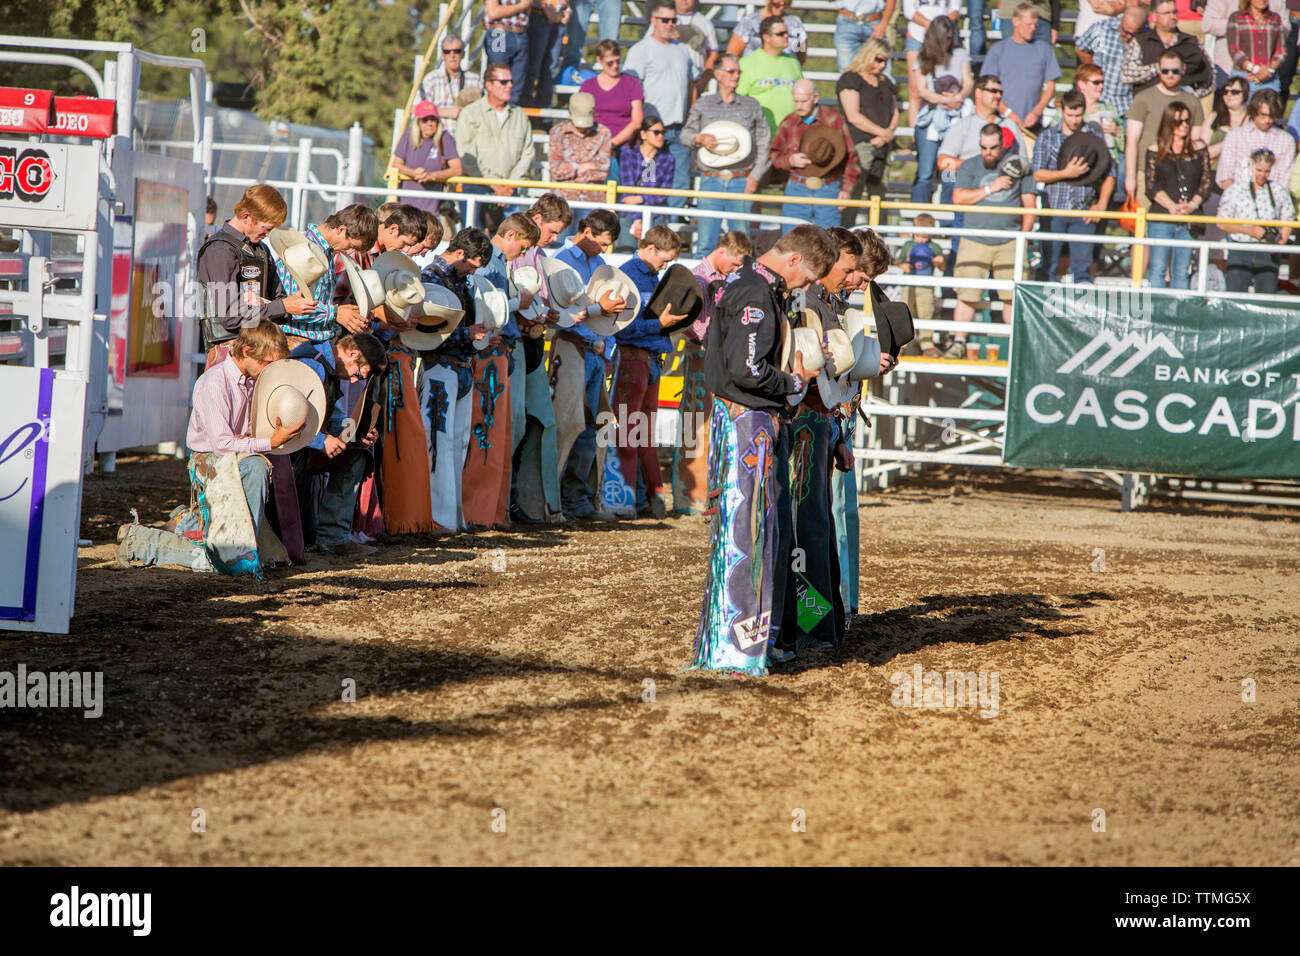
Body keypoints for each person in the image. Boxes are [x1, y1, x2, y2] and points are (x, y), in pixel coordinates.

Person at [692, 224, 837, 675]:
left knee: (758, 532)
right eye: (810, 277)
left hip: (747, 421)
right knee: (750, 532)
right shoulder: (755, 292)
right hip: (748, 422)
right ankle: (737, 649)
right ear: (793, 260)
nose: (809, 287)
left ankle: (748, 643)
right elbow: (749, 369)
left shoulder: (751, 285)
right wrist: (795, 382)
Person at [185, 320, 302, 573]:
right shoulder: (214, 383)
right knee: (257, 466)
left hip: (232, 453)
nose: (269, 369)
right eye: (266, 363)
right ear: (247, 352)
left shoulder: (254, 379)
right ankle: (241, 549)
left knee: (258, 464)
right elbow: (222, 445)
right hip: (207, 458)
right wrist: (270, 442)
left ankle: (229, 541)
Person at [552, 210, 629, 521]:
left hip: (594, 351)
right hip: (572, 346)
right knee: (568, 424)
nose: (605, 249)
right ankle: (555, 499)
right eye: (602, 242)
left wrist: (606, 351)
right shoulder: (563, 262)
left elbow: (606, 318)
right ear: (585, 232)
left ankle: (576, 499)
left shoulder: (597, 264)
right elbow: (567, 311)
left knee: (593, 427)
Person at [465, 214, 540, 529]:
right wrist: (518, 302)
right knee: (492, 430)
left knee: (503, 429)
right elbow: (482, 305)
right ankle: (485, 506)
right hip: (490, 352)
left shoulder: (496, 264)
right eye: (521, 247)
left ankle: (494, 505)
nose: (521, 255)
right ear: (510, 235)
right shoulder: (490, 263)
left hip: (499, 350)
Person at [419, 228, 493, 532]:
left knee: (455, 441)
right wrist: (468, 334)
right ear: (460, 254)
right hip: (441, 365)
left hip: (458, 365)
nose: (473, 270)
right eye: (473, 264)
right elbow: (427, 331)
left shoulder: (452, 279)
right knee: (440, 440)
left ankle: (452, 516)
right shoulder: (432, 278)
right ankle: (441, 516)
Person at [673, 230, 751, 514]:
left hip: (713, 355)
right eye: (733, 263)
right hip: (702, 353)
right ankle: (692, 496)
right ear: (722, 253)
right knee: (698, 423)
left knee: (710, 424)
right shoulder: (697, 280)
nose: (734, 269)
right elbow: (687, 324)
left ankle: (701, 494)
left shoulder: (716, 279)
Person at [290, 332, 388, 555]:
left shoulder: (327, 366)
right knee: (352, 458)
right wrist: (321, 441)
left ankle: (332, 539)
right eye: (358, 374)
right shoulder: (312, 365)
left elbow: (333, 416)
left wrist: (356, 434)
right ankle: (330, 538)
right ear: (353, 353)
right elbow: (285, 418)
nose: (354, 380)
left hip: (301, 447)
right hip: (283, 451)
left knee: (357, 455)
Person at [613, 224, 686, 517]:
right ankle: (628, 498)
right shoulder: (627, 275)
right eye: (663, 259)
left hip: (649, 359)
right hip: (633, 358)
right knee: (631, 432)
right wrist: (660, 326)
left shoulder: (652, 277)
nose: (664, 265)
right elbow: (622, 328)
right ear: (651, 248)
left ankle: (643, 499)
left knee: (641, 433)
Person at [196, 184, 314, 365]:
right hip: (229, 355)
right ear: (246, 217)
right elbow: (230, 317)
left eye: (270, 231)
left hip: (259, 350)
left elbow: (278, 298)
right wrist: (282, 307)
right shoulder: (220, 251)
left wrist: (286, 305)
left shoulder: (260, 250)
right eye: (265, 228)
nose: (267, 235)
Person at [511, 193, 574, 524]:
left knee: (531, 423)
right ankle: (511, 501)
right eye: (552, 231)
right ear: (536, 220)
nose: (554, 238)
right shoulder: (515, 251)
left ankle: (523, 501)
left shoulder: (536, 252)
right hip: (517, 342)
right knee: (517, 424)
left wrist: (544, 314)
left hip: (532, 342)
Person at [950, 124, 1036, 355]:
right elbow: (958, 198)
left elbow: (1030, 205)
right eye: (983, 147)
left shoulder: (1019, 165)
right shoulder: (970, 165)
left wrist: (1023, 238)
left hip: (1010, 241)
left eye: (993, 147)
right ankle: (959, 343)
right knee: (967, 295)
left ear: (1003, 145)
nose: (987, 152)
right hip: (975, 239)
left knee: (1013, 297)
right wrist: (990, 188)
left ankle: (1019, 348)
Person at [683, 53, 770, 256]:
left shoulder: (752, 105)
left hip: (742, 178)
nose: (736, 75)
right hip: (710, 178)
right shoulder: (703, 104)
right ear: (718, 74)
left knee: (741, 243)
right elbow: (685, 135)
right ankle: (702, 285)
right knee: (705, 241)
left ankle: (740, 285)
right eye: (731, 71)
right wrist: (699, 138)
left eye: (738, 71)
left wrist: (755, 177)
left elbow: (764, 141)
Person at [1032, 90, 1116, 284]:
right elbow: (1037, 173)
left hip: (1083, 211)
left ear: (1084, 112)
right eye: (1070, 115)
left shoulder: (1094, 135)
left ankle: (1081, 312)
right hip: (1053, 211)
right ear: (1062, 111)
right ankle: (1044, 311)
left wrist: (1101, 205)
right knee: (1047, 268)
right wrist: (1065, 174)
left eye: (1078, 115)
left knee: (1083, 271)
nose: (1075, 120)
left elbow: (1110, 173)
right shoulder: (1047, 137)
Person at [623, 1, 701, 192]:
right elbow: (631, 89)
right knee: (648, 183)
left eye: (673, 20)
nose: (669, 24)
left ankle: (673, 222)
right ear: (654, 21)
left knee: (679, 184)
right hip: (650, 131)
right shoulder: (641, 50)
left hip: (676, 129)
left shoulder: (683, 50)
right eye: (664, 20)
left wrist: (689, 119)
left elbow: (692, 87)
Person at [275, 204, 378, 347]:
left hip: (312, 343)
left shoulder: (326, 252)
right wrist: (335, 313)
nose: (349, 252)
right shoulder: (303, 249)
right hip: (296, 343)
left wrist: (346, 313)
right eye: (351, 246)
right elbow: (291, 305)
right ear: (342, 230)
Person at [456, 62, 536, 236]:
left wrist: (508, 185)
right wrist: (495, 186)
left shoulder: (520, 115)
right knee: (470, 241)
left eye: (510, 81)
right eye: (504, 82)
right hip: (476, 186)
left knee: (514, 242)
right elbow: (466, 156)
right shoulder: (470, 113)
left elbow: (528, 153)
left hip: (510, 190)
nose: (509, 86)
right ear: (488, 85)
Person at [772, 79, 860, 229]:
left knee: (829, 241)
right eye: (796, 101)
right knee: (792, 241)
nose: (799, 106)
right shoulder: (789, 122)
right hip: (797, 187)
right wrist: (790, 161)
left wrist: (846, 189)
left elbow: (851, 158)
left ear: (816, 98)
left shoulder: (834, 120)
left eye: (804, 101)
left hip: (829, 186)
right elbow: (774, 155)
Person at [1125, 50, 1208, 210]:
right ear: (1157, 69)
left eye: (1175, 71)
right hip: (1147, 170)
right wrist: (1131, 177)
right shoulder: (1143, 98)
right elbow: (1132, 140)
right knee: (1145, 225)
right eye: (1165, 70)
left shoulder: (1192, 101)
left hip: (1181, 171)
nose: (1170, 75)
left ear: (1183, 70)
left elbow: (1195, 141)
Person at [1144, 101, 1212, 289]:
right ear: (1168, 123)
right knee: (1157, 269)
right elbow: (1151, 186)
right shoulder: (1155, 150)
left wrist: (1192, 205)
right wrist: (1172, 206)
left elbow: (1206, 183)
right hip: (1162, 216)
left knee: (1181, 272)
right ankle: (1156, 313)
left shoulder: (1199, 149)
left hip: (1189, 217)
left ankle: (1178, 315)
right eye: (1178, 121)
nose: (1184, 125)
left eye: (1187, 121)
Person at [908, 16, 972, 203]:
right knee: (925, 173)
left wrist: (959, 96)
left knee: (949, 172)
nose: (948, 42)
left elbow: (968, 82)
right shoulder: (923, 57)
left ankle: (947, 218)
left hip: (955, 118)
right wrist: (943, 99)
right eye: (945, 38)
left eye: (951, 38)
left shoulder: (959, 54)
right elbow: (922, 90)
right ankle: (918, 215)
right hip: (931, 120)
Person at [982, 3, 1061, 145]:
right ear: (1015, 22)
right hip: (1002, 123)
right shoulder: (998, 50)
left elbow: (1050, 87)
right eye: (1028, 24)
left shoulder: (1044, 49)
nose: (1033, 29)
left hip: (1032, 124)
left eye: (1035, 25)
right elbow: (988, 89)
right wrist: (1008, 113)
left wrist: (1037, 112)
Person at [1220, 147, 1294, 291]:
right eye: (1259, 170)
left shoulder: (1278, 191)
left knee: (1267, 296)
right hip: (1241, 248)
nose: (1262, 175)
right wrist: (1248, 230)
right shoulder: (1235, 190)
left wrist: (1282, 239)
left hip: (1268, 250)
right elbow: (1221, 222)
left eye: (1266, 171)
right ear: (1251, 167)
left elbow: (1288, 218)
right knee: (1235, 295)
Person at [837, 39, 899, 211]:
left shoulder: (885, 82)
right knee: (853, 195)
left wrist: (887, 135)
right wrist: (883, 133)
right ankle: (845, 235)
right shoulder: (850, 79)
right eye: (878, 60)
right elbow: (853, 116)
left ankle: (878, 236)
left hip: (883, 147)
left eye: (885, 61)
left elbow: (894, 112)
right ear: (868, 55)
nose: (881, 65)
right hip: (860, 145)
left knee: (879, 198)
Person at [1121, 0, 1215, 107]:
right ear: (1154, 16)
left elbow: (1210, 76)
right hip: (1149, 109)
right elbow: (1127, 75)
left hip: (1181, 111)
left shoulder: (1191, 41)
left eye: (1174, 12)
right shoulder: (1141, 41)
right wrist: (1157, 68)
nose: (1172, 16)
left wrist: (1192, 96)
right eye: (1167, 13)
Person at [902, 2, 962, 139]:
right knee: (916, 90)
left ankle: (948, 133)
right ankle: (915, 135)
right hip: (917, 34)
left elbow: (955, 10)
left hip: (944, 35)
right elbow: (909, 10)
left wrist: (941, 27)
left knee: (946, 86)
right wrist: (929, 25)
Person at [1076, 4, 1148, 117]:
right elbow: (1080, 48)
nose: (1128, 37)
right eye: (1125, 31)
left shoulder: (1146, 35)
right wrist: (1093, 70)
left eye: (1133, 34)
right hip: (1099, 100)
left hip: (1126, 104)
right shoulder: (1101, 29)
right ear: (1121, 19)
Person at [736, 14, 804, 135]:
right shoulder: (747, 63)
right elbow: (738, 101)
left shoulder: (793, 63)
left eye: (787, 33)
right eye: (780, 34)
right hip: (760, 137)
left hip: (789, 137)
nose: (786, 36)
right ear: (766, 37)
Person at [579, 39, 645, 161]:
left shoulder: (631, 84)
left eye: (618, 62)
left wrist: (612, 144)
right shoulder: (587, 87)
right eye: (610, 63)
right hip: (595, 144)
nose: (615, 66)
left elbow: (637, 121)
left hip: (625, 146)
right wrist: (599, 145)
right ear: (599, 60)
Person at [392, 101, 463, 215]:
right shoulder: (408, 135)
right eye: (425, 120)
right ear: (418, 122)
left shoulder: (445, 138)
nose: (430, 124)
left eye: (433, 119)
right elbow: (396, 164)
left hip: (434, 211)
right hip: (406, 208)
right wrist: (413, 173)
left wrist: (432, 175)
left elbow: (457, 169)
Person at [548, 91, 613, 208]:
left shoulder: (603, 133)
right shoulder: (557, 132)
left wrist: (570, 172)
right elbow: (555, 169)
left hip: (593, 200)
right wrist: (583, 167)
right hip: (562, 201)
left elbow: (603, 170)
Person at [1216, 89, 1295, 188]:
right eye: (1263, 115)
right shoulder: (1234, 137)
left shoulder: (1286, 141)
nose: (1267, 120)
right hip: (1239, 197)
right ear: (1254, 112)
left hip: (1272, 198)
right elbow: (1224, 177)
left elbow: (1285, 180)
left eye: (1272, 116)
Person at [618, 116, 677, 243]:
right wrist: (637, 218)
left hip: (655, 214)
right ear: (643, 134)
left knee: (655, 257)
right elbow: (627, 187)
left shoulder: (668, 159)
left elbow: (664, 192)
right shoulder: (628, 154)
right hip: (630, 213)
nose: (660, 136)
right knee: (625, 253)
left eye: (663, 132)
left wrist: (641, 198)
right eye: (656, 132)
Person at [897, 213, 944, 350]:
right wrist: (902, 265)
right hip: (908, 284)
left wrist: (939, 262)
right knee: (906, 312)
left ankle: (926, 343)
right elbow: (898, 259)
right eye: (918, 236)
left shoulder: (934, 247)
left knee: (926, 312)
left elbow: (943, 265)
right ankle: (902, 344)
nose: (921, 240)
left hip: (925, 285)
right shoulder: (909, 244)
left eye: (925, 237)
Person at [420, 35, 482, 137]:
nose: (452, 55)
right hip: (439, 139)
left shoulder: (475, 80)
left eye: (456, 51)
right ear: (442, 55)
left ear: (463, 54)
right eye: (447, 52)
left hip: (469, 138)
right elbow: (417, 109)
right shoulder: (431, 79)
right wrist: (446, 112)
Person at [1226, 0, 1287, 94]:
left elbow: (1281, 51)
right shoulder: (1236, 17)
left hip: (1269, 79)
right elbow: (1233, 50)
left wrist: (1268, 71)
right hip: (1243, 77)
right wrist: (1255, 69)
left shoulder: (1275, 18)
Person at [520, 0, 569, 110]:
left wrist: (567, 8)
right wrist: (543, 6)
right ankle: (527, 113)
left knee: (549, 71)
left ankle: (544, 118)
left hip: (558, 18)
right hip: (538, 15)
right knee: (532, 70)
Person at [483, 0, 534, 102]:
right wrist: (521, 6)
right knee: (497, 78)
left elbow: (528, 11)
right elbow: (493, 12)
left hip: (521, 32)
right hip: (499, 32)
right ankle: (492, 114)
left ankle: (509, 114)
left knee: (516, 85)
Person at [727, 0, 808, 63]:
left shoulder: (795, 23)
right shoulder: (749, 22)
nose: (781, 7)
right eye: (777, 4)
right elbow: (732, 55)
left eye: (785, 4)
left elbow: (801, 54)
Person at [834, 0, 898, 71]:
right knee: (846, 72)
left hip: (875, 24)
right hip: (847, 21)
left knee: (883, 73)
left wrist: (883, 24)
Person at [673, 0, 721, 80]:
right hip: (670, 78)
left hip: (696, 78)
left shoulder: (705, 23)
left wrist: (703, 81)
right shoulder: (663, 20)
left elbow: (713, 54)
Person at [1209, 75, 1252, 162]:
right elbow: (1203, 152)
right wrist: (1229, 142)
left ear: (1246, 94)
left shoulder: (1253, 121)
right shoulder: (1213, 117)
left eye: (1235, 92)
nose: (1229, 95)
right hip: (1215, 169)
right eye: (1225, 91)